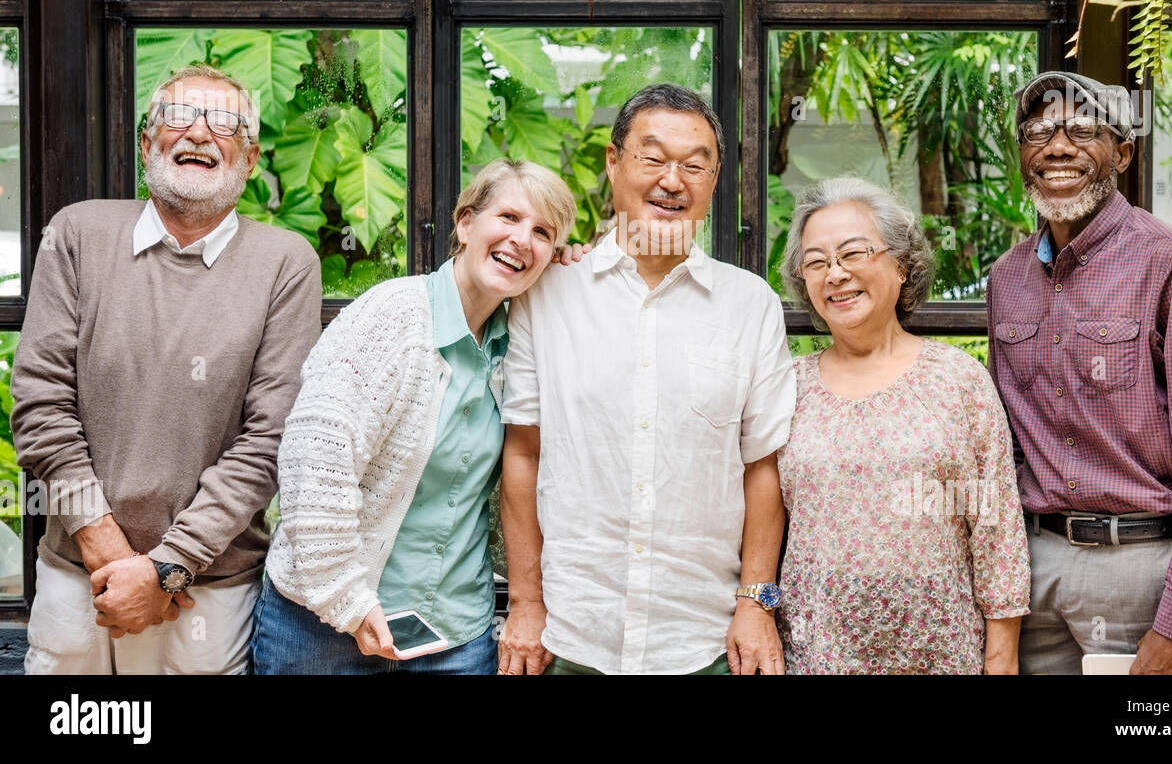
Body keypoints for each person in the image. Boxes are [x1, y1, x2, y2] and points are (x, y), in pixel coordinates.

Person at [11, 65, 322, 674]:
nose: (199, 133)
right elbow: (40, 405)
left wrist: (164, 569)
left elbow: (270, 440)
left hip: (209, 593)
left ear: (251, 158)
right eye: (178, 116)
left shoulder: (286, 263)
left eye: (225, 121)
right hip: (79, 582)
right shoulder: (78, 233)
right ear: (148, 143)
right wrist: (106, 551)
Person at [496, 82, 796, 676]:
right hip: (572, 634)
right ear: (614, 163)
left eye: (694, 164)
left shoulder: (749, 305)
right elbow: (523, 454)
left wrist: (756, 605)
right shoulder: (548, 292)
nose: (672, 180)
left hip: (704, 638)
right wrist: (527, 602)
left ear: (713, 180)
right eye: (653, 158)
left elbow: (763, 466)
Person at [254, 159, 578, 675]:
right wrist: (348, 603)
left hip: (455, 633)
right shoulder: (391, 316)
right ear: (466, 222)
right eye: (509, 217)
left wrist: (575, 271)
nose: (522, 239)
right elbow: (314, 464)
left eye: (543, 232)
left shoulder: (517, 340)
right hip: (325, 628)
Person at [988, 71, 1172, 675]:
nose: (1057, 146)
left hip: (1140, 572)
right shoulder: (1007, 279)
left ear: (1124, 152)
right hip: (1030, 570)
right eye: (1038, 131)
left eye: (1083, 129)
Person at [776, 177, 1030, 674]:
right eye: (816, 262)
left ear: (900, 263)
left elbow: (998, 535)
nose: (835, 274)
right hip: (816, 657)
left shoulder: (958, 381)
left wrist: (1000, 663)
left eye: (853, 253)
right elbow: (759, 520)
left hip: (941, 658)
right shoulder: (786, 388)